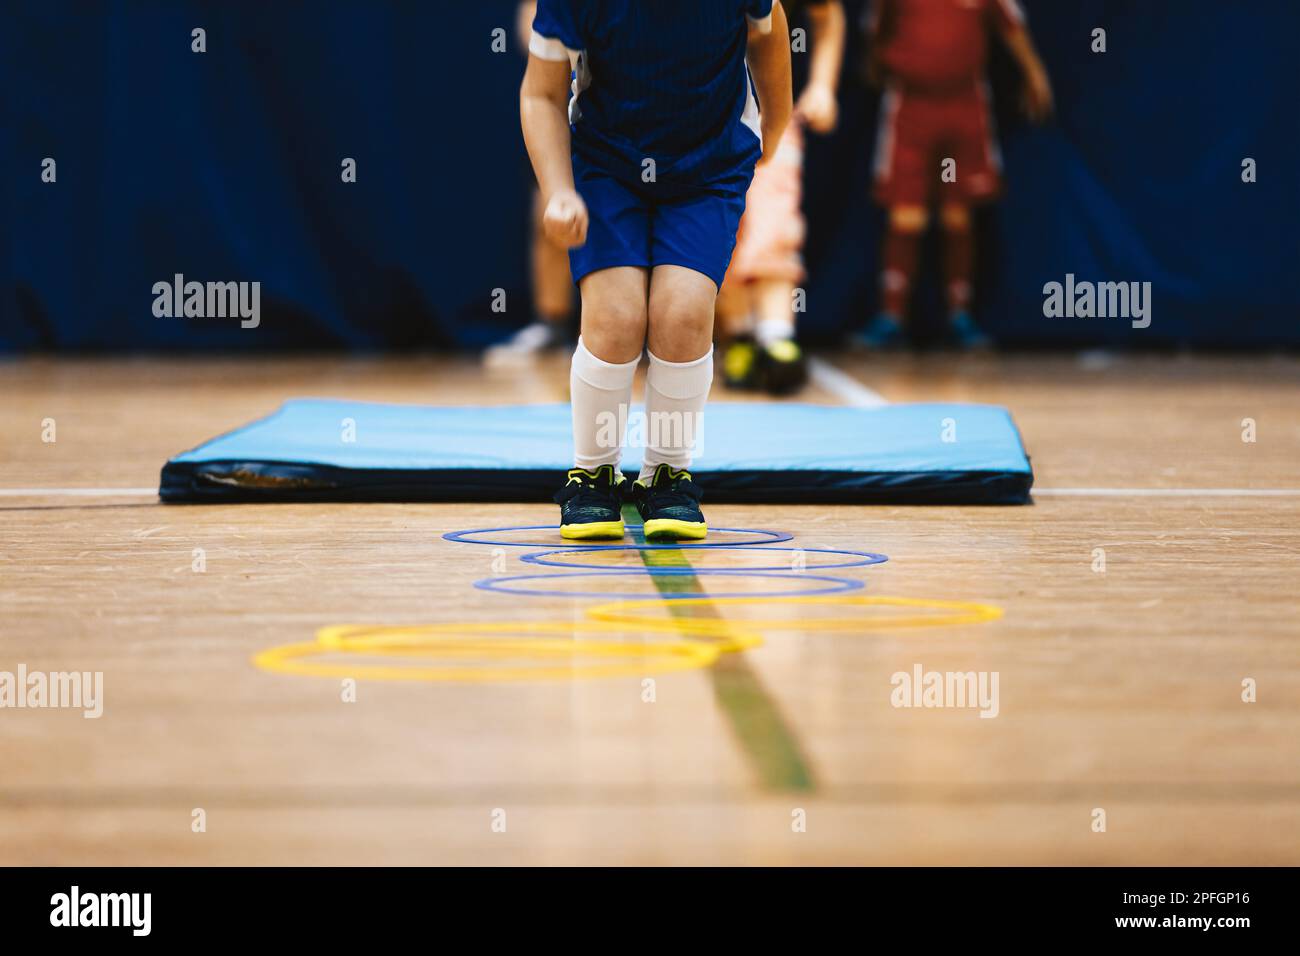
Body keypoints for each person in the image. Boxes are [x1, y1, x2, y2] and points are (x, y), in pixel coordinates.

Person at [520, 0, 792, 540]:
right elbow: (540, 93)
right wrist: (558, 191)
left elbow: (770, 37)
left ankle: (666, 474)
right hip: (606, 168)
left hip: (708, 169)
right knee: (616, 319)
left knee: (684, 315)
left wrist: (774, 130)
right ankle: (592, 474)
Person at [857, 0, 1052, 350]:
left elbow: (1010, 24)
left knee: (958, 216)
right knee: (906, 216)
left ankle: (960, 315)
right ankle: (891, 317)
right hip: (909, 106)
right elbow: (876, 28)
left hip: (965, 106)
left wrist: (1034, 71)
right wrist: (876, 61)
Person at [717, 0, 846, 395]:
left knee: (775, 223)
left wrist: (823, 86)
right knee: (718, 226)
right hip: (703, 114)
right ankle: (740, 336)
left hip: (773, 110)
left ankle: (777, 335)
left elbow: (827, 17)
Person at [485, 2, 577, 367]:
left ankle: (650, 336)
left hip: (639, 109)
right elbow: (532, 27)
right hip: (564, 100)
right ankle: (551, 323)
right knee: (550, 213)